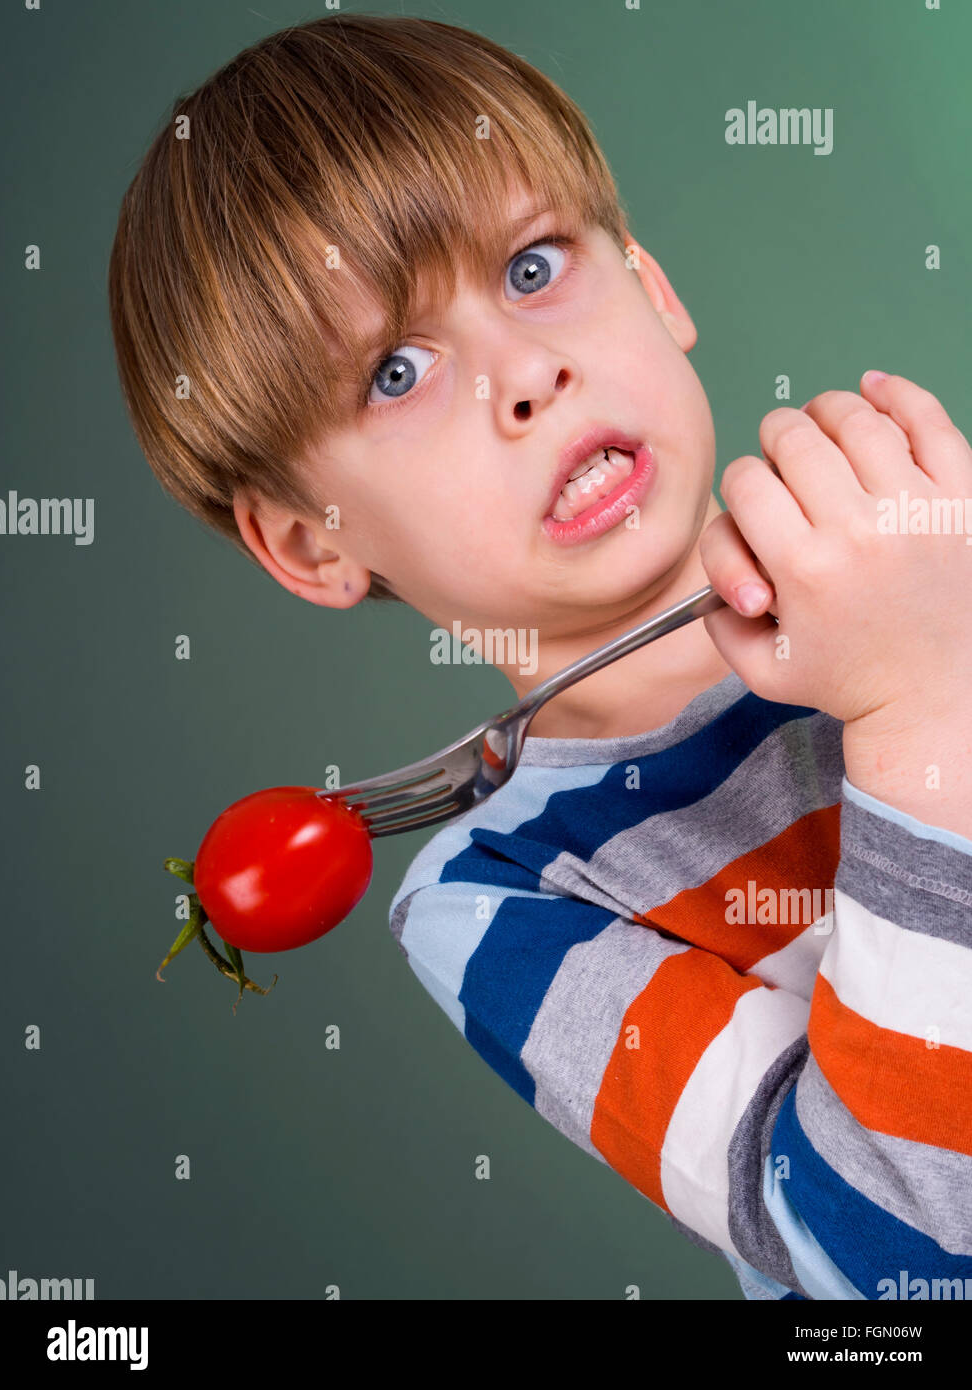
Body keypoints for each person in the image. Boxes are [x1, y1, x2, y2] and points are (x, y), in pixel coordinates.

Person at [108, 14, 972, 1300]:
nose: (526, 374)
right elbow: (887, 1262)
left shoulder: (933, 548)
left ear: (652, 286)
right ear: (310, 543)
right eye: (397, 371)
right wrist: (925, 712)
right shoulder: (497, 898)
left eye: (530, 269)